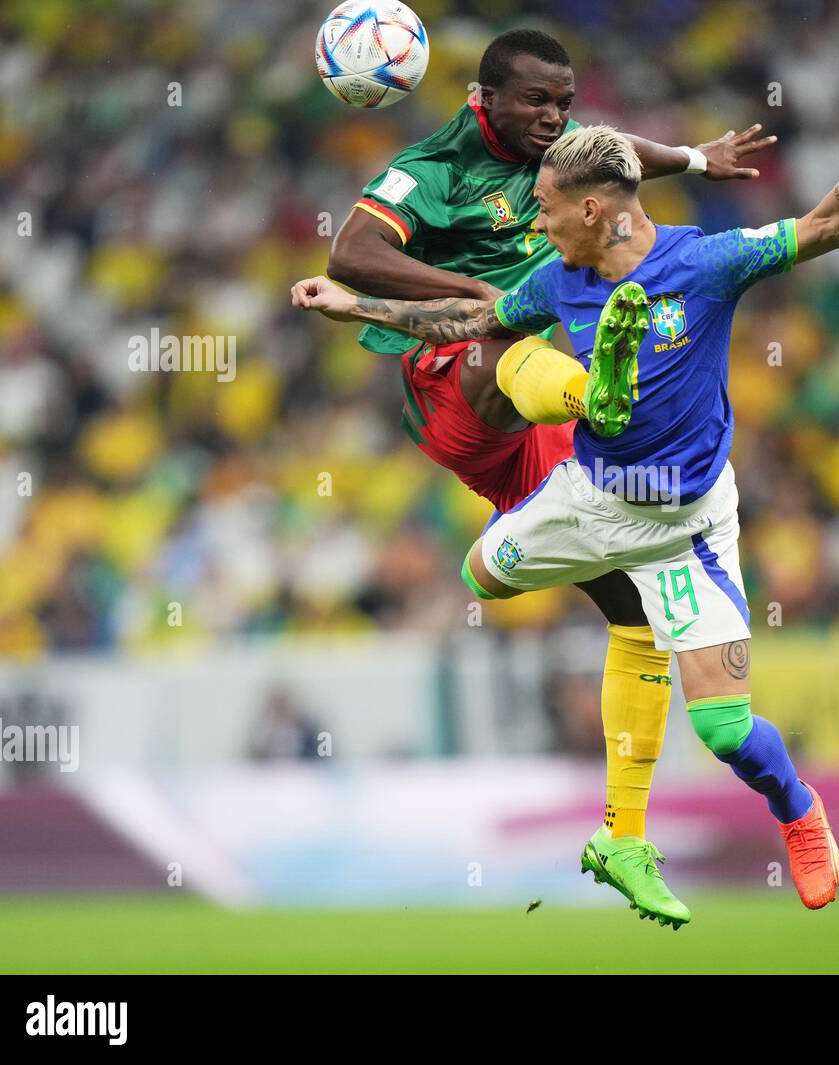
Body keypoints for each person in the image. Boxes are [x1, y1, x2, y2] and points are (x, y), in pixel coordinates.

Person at [295, 71, 839, 914]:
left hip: (684, 525)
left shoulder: (706, 262)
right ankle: (596, 394)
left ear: (594, 210)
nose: (538, 223)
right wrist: (353, 303)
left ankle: (798, 810)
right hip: (590, 500)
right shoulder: (559, 279)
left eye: (548, 208)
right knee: (480, 570)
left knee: (726, 731)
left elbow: (837, 224)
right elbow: (470, 324)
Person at [320, 28, 774, 927]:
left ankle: (623, 838)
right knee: (506, 337)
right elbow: (350, 255)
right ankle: (588, 392)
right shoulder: (433, 167)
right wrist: (469, 294)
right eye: (537, 103)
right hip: (456, 383)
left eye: (564, 103)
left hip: (536, 419)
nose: (554, 119)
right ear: (484, 98)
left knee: (638, 615)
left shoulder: (562, 157)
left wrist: (693, 156)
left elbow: (613, 157)